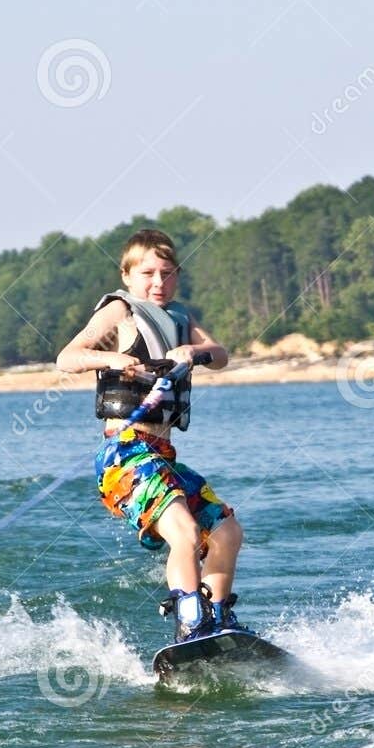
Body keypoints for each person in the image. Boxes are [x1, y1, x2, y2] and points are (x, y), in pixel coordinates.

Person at [55, 228, 246, 642]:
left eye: (167, 273)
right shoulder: (120, 312)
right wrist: (115, 360)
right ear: (127, 275)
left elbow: (221, 355)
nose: (158, 283)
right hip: (125, 456)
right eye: (148, 274)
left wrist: (193, 352)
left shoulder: (181, 318)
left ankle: (216, 616)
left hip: (162, 455)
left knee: (227, 531)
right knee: (184, 530)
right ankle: (191, 620)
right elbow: (67, 358)